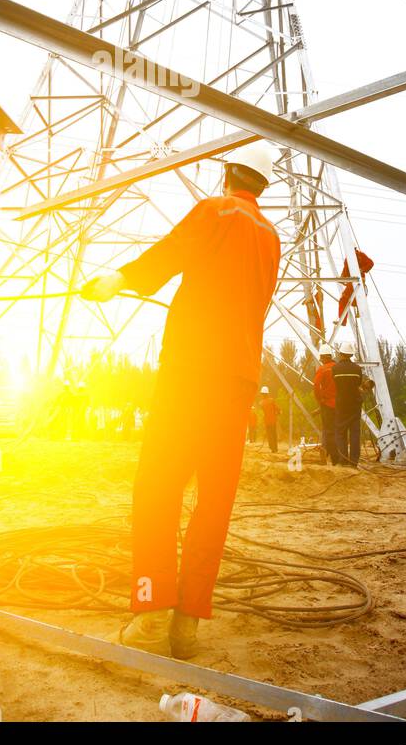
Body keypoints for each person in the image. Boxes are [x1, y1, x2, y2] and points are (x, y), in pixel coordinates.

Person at [80, 141, 280, 660]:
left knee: (157, 488)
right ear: (262, 185)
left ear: (227, 174)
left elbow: (169, 255)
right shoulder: (271, 238)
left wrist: (116, 280)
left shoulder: (215, 210)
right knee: (213, 501)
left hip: (189, 372)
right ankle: (187, 621)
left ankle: (150, 613)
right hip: (235, 383)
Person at [332, 337, 363, 468]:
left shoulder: (335, 369)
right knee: (355, 433)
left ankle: (342, 460)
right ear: (351, 354)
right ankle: (353, 462)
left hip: (341, 405)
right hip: (355, 405)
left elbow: (335, 384)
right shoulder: (357, 369)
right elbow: (359, 384)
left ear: (340, 353)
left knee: (340, 432)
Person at [313, 346, 338, 465]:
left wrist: (320, 399)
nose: (321, 360)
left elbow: (316, 385)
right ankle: (334, 454)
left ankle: (329, 453)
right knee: (337, 430)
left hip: (327, 404)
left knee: (327, 430)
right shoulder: (339, 368)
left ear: (324, 357)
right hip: (340, 404)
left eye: (321, 358)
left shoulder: (322, 369)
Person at [260, 385, 279, 453]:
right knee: (274, 434)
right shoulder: (272, 400)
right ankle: (275, 448)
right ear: (267, 393)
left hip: (266, 421)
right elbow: (277, 409)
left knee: (269, 435)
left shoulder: (261, 403)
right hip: (273, 420)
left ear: (262, 394)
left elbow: (264, 411)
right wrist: (279, 412)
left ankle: (272, 448)